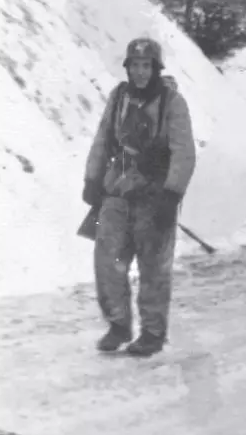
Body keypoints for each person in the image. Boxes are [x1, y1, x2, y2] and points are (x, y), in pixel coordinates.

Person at [82, 38, 197, 356]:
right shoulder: (119, 97)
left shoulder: (172, 103)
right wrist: (92, 178)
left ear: (156, 68)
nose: (140, 72)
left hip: (154, 195)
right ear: (128, 68)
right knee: (108, 261)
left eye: (146, 66)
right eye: (135, 65)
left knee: (153, 268)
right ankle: (118, 325)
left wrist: (171, 195)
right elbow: (103, 138)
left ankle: (153, 332)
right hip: (117, 190)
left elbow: (183, 152)